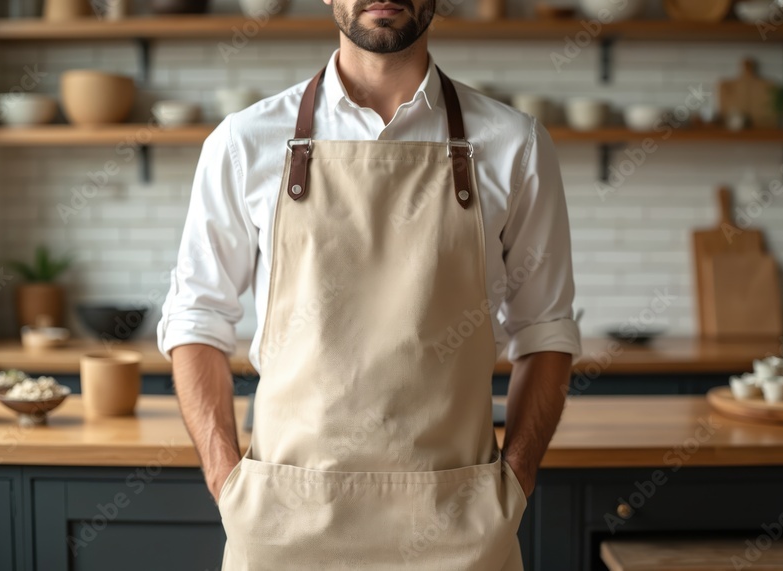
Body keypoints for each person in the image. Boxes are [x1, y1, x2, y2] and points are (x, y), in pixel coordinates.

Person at [156, 0, 581, 566]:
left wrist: (515, 480)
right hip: (283, 524)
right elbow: (196, 319)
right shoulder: (243, 142)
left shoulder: (515, 145)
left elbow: (546, 330)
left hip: (459, 526)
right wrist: (226, 478)